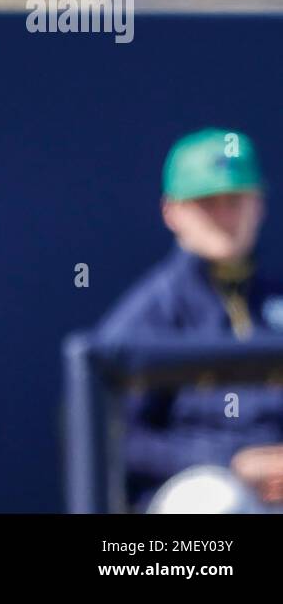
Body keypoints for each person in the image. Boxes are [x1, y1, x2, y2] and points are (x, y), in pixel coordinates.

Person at [96, 128, 283, 511]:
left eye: (235, 199)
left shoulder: (275, 299)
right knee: (217, 501)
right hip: (193, 493)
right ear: (172, 211)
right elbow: (112, 434)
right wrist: (230, 460)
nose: (224, 215)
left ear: (259, 204)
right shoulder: (149, 312)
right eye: (207, 202)